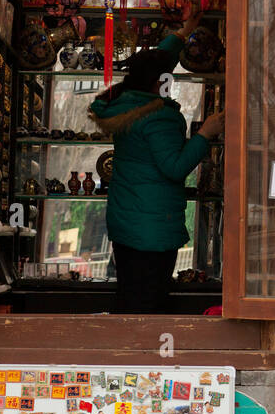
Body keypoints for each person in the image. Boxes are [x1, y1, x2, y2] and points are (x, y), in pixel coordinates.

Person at [89, 16, 224, 313]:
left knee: (129, 295)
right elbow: (174, 167)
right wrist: (205, 134)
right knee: (147, 304)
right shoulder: (159, 117)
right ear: (159, 82)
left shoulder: (128, 102)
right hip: (153, 230)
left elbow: (155, 62)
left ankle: (123, 352)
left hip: (128, 223)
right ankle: (143, 355)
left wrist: (185, 30)